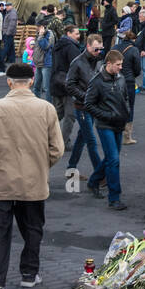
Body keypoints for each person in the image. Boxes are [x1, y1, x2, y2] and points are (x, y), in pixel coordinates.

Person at [0, 62, 65, 289]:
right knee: (33, 229)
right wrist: (41, 165)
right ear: (32, 81)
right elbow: (57, 149)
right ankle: (29, 273)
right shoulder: (46, 109)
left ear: (9, 82)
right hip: (33, 181)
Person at [83, 48, 129, 210]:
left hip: (118, 123)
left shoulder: (120, 78)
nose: (120, 67)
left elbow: (125, 97)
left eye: (121, 64)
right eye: (118, 65)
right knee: (114, 160)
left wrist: (126, 112)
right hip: (105, 125)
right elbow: (88, 104)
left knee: (111, 158)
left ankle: (93, 181)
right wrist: (106, 115)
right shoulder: (97, 81)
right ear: (108, 64)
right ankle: (114, 198)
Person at [64, 33, 105, 182]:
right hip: (82, 107)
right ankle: (99, 176)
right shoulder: (77, 62)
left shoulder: (97, 60)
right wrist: (85, 97)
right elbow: (69, 84)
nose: (99, 52)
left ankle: (71, 168)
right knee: (91, 142)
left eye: (100, 49)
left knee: (82, 139)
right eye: (96, 49)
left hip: (92, 106)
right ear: (88, 46)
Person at [51, 25, 82, 148]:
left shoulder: (58, 45)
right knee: (70, 115)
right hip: (68, 85)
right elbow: (77, 67)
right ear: (69, 34)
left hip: (56, 82)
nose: (78, 36)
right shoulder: (71, 48)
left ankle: (49, 138)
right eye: (76, 33)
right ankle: (63, 142)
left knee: (57, 114)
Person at [120, 31, 141, 146]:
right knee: (129, 107)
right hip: (128, 81)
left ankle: (115, 131)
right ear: (133, 40)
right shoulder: (134, 50)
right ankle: (127, 136)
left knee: (115, 104)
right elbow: (138, 68)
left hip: (115, 80)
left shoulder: (115, 47)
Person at [31, 20, 56, 101]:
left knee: (46, 87)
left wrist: (41, 36)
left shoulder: (50, 34)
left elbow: (45, 46)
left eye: (38, 26)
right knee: (36, 86)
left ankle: (49, 105)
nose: (37, 28)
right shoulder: (38, 34)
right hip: (38, 63)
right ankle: (37, 104)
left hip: (46, 63)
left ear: (43, 27)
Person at [1, 2, 18, 66]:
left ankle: (1, 59)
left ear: (11, 6)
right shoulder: (10, 12)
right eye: (6, 6)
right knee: (11, 47)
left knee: (6, 47)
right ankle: (11, 59)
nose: (6, 7)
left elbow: (12, 24)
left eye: (7, 6)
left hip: (8, 33)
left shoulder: (12, 13)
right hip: (8, 32)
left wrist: (8, 32)